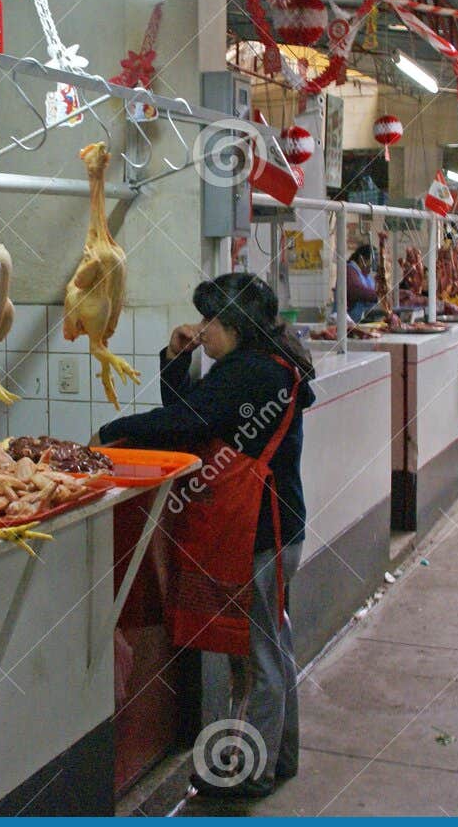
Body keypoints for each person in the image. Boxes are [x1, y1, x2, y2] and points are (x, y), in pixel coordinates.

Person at [99, 273, 316, 797]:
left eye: (209, 321)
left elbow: (189, 421)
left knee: (256, 653)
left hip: (262, 528)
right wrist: (177, 361)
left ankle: (249, 771)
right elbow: (196, 413)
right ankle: (278, 756)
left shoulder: (256, 373)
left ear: (235, 325)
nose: (201, 329)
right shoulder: (260, 364)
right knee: (271, 645)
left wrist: (110, 435)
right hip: (269, 526)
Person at [340, 243, 379, 321]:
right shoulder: (349, 270)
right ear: (362, 259)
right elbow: (355, 290)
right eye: (373, 261)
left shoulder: (365, 275)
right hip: (350, 322)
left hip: (364, 320)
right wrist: (379, 295)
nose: (375, 264)